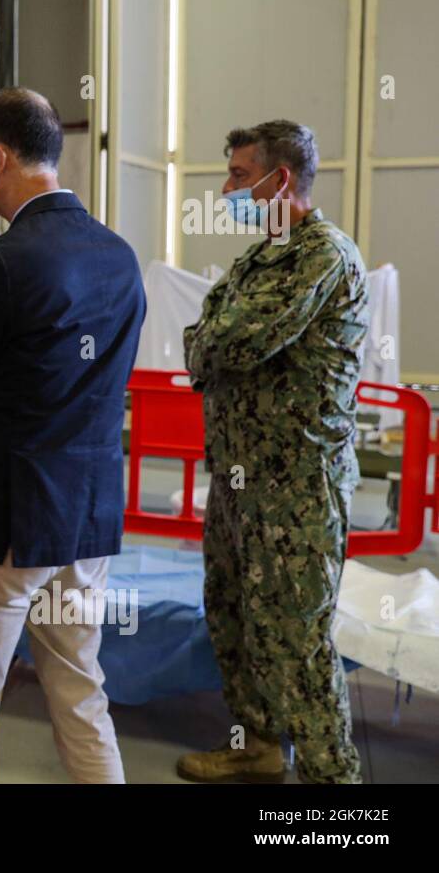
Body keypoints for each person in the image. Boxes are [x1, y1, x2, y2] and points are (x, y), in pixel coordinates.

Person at [0, 88, 145, 784]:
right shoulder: (118, 256)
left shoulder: (1, 262)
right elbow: (76, 378)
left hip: (5, 526)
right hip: (87, 516)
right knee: (80, 697)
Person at [179, 120, 367, 785]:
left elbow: (229, 342)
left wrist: (210, 344)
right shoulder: (260, 257)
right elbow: (200, 336)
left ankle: (332, 786)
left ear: (278, 179)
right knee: (231, 617)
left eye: (237, 175)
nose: (226, 188)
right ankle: (258, 748)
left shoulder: (321, 255)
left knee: (297, 642)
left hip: (297, 488)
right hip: (238, 480)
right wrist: (209, 343)